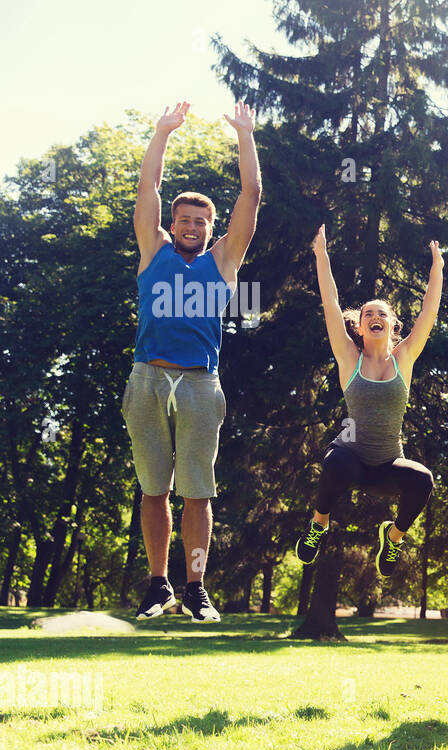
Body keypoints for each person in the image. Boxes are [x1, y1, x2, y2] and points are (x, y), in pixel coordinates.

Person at [126, 101, 260, 622]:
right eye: (183, 219)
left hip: (202, 383)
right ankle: (157, 586)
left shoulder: (224, 261)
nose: (190, 226)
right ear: (172, 224)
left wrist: (245, 136)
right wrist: (161, 133)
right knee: (153, 488)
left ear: (209, 227)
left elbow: (251, 195)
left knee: (197, 492)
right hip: (147, 376)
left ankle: (195, 587)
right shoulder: (153, 251)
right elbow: (147, 191)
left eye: (200, 221)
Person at [294, 227, 440, 577]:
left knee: (423, 480)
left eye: (382, 314)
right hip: (351, 460)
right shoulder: (349, 358)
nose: (375, 317)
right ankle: (319, 524)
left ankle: (393, 537)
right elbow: (330, 303)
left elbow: (428, 313)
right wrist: (320, 254)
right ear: (359, 327)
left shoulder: (404, 357)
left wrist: (437, 267)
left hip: (388, 465)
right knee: (335, 463)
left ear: (392, 325)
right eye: (367, 314)